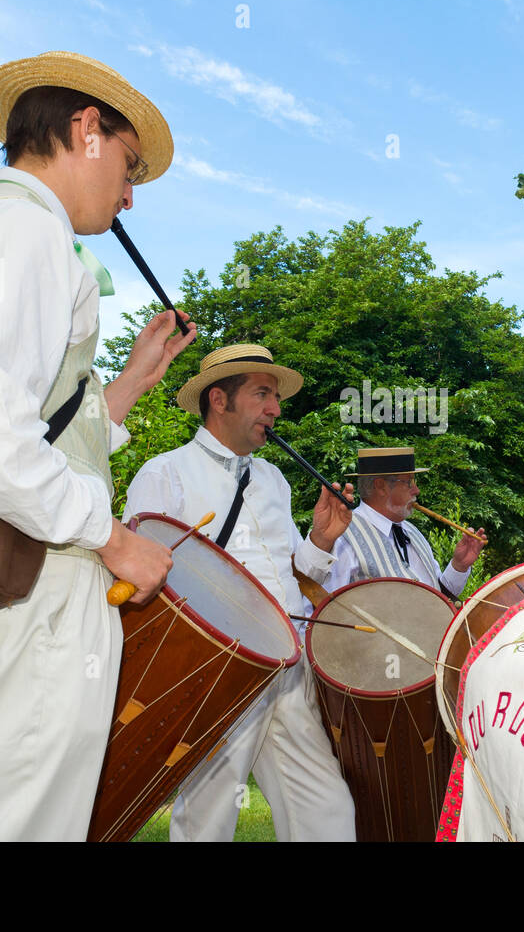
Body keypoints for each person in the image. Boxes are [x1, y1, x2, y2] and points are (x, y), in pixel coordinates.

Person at [0, 51, 197, 840]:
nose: (130, 195)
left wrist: (129, 382)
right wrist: (115, 537)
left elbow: (26, 423)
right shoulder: (25, 231)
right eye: (130, 166)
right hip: (29, 594)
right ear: (86, 128)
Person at [122, 343, 357, 842]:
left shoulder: (273, 478)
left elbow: (293, 571)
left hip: (289, 669)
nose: (275, 409)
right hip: (220, 673)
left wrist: (321, 538)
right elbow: (142, 581)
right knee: (209, 819)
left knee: (328, 809)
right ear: (219, 400)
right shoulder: (165, 473)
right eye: (262, 394)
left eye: (275, 397)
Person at [322, 447, 484, 597]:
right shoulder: (342, 537)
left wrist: (459, 566)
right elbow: (323, 612)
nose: (416, 490)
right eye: (408, 482)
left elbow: (437, 599)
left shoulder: (412, 532)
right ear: (381, 486)